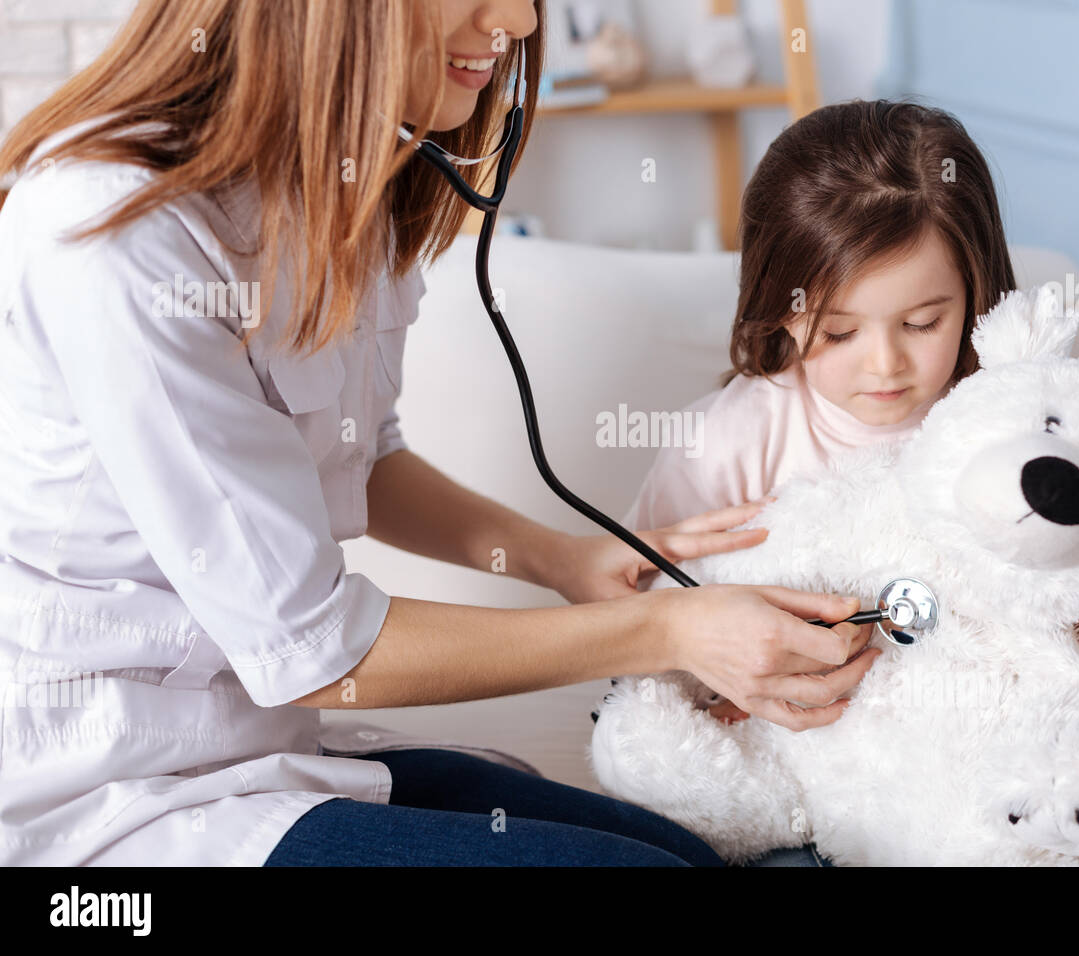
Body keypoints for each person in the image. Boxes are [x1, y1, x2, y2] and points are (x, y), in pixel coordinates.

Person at [0, 0, 877, 867]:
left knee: (676, 851)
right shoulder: (119, 228)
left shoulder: (355, 178)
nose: (522, 23)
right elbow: (313, 649)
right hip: (95, 797)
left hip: (255, 748)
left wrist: (563, 562)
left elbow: (360, 459)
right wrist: (675, 631)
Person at [624, 99, 1079, 731]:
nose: (884, 365)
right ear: (777, 306)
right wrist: (713, 691)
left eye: (921, 323)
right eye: (839, 331)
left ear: (975, 292)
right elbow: (638, 619)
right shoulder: (728, 442)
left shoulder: (1029, 427)